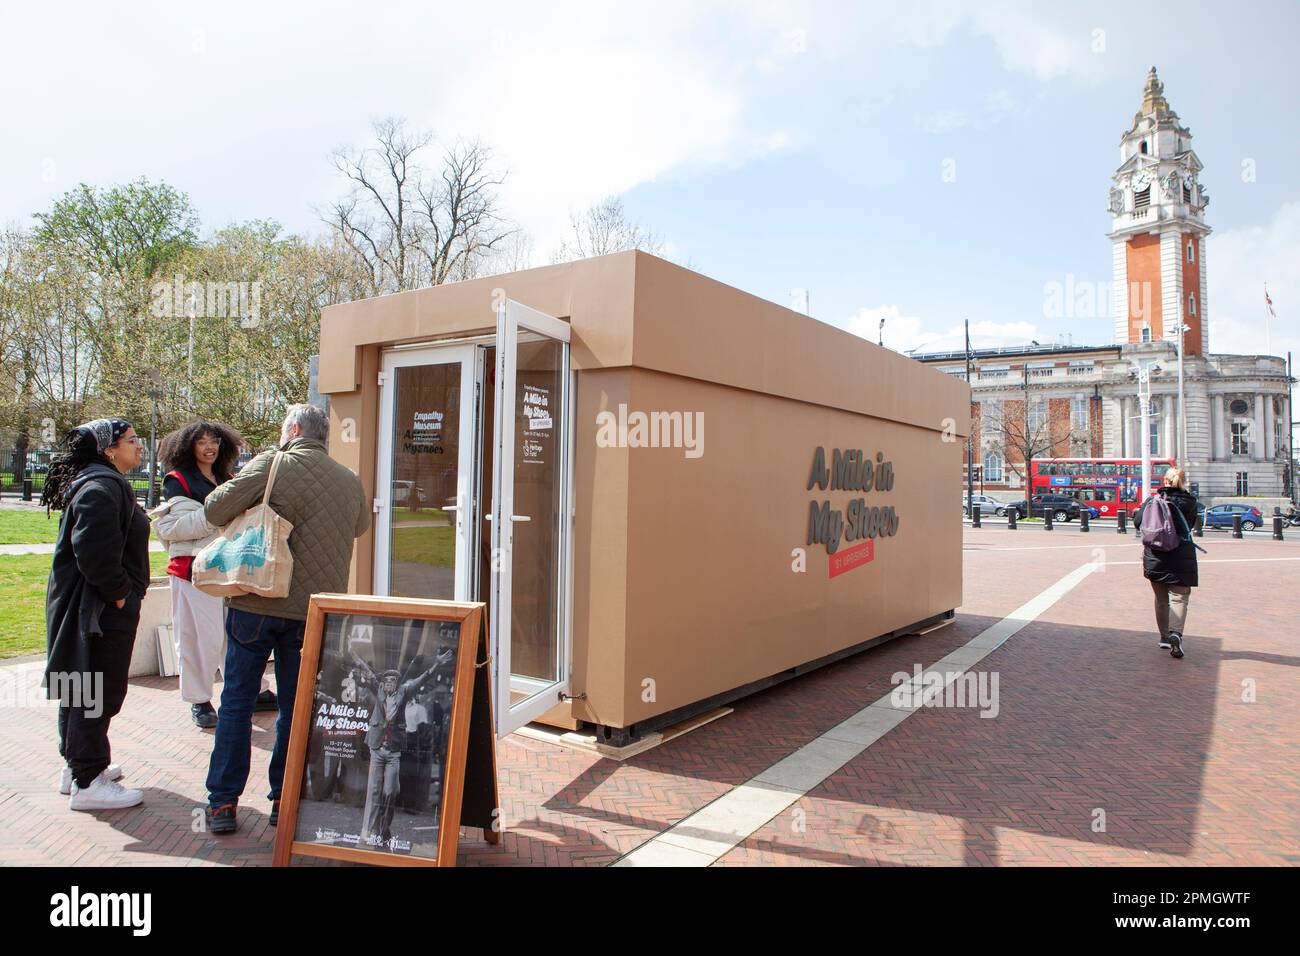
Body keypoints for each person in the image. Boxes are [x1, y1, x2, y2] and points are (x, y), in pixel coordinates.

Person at [203, 404, 369, 834]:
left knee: (237, 703)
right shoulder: (349, 480)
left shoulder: (272, 463)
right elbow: (359, 527)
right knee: (297, 710)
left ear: (293, 430)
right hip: (313, 611)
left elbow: (215, 509)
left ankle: (222, 802)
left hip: (257, 602)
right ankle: (285, 799)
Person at [43, 419, 150, 810]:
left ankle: (76, 768)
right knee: (95, 690)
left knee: (80, 686)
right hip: (97, 612)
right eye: (132, 441)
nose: (139, 446)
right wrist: (121, 595)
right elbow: (93, 551)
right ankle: (89, 781)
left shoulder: (100, 481)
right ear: (109, 450)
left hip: (89, 608)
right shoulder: (101, 488)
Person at [151, 419, 276, 728]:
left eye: (215, 441)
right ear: (188, 446)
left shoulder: (227, 477)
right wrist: (222, 513)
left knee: (236, 636)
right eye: (202, 441)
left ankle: (253, 690)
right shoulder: (176, 480)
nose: (210, 447)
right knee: (198, 637)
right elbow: (181, 529)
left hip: (230, 569)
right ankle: (199, 699)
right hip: (193, 572)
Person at [350, 647, 451, 846]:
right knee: (374, 790)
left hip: (393, 750)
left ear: (397, 683)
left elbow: (421, 678)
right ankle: (367, 831)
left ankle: (384, 828)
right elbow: (366, 670)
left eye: (392, 681)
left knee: (390, 791)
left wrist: (437, 663)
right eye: (386, 681)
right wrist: (352, 652)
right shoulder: (377, 688)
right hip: (377, 748)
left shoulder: (404, 691)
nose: (388, 684)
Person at [1134, 466, 1199, 659]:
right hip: (1181, 554)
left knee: (1161, 599)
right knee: (1180, 597)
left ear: (1165, 480)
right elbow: (1193, 524)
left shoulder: (1153, 500)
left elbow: (1138, 522)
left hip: (1156, 555)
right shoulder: (1190, 502)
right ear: (1183, 481)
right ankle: (1176, 634)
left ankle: (1163, 637)